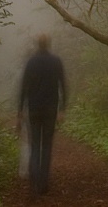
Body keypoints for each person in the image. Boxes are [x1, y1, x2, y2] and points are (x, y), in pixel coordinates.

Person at [16, 34, 68, 194]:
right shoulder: (56, 61)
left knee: (35, 145)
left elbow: (24, 87)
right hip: (50, 110)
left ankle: (34, 182)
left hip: (34, 109)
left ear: (38, 45)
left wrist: (20, 111)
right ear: (49, 44)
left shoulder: (31, 62)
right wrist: (62, 109)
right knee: (46, 146)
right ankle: (43, 184)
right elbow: (63, 86)